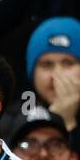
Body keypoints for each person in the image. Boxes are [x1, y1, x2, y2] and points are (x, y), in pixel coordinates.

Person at [24, 17, 80, 148]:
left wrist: (68, 122)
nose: (56, 75)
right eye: (46, 65)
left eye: (68, 63)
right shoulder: (8, 121)